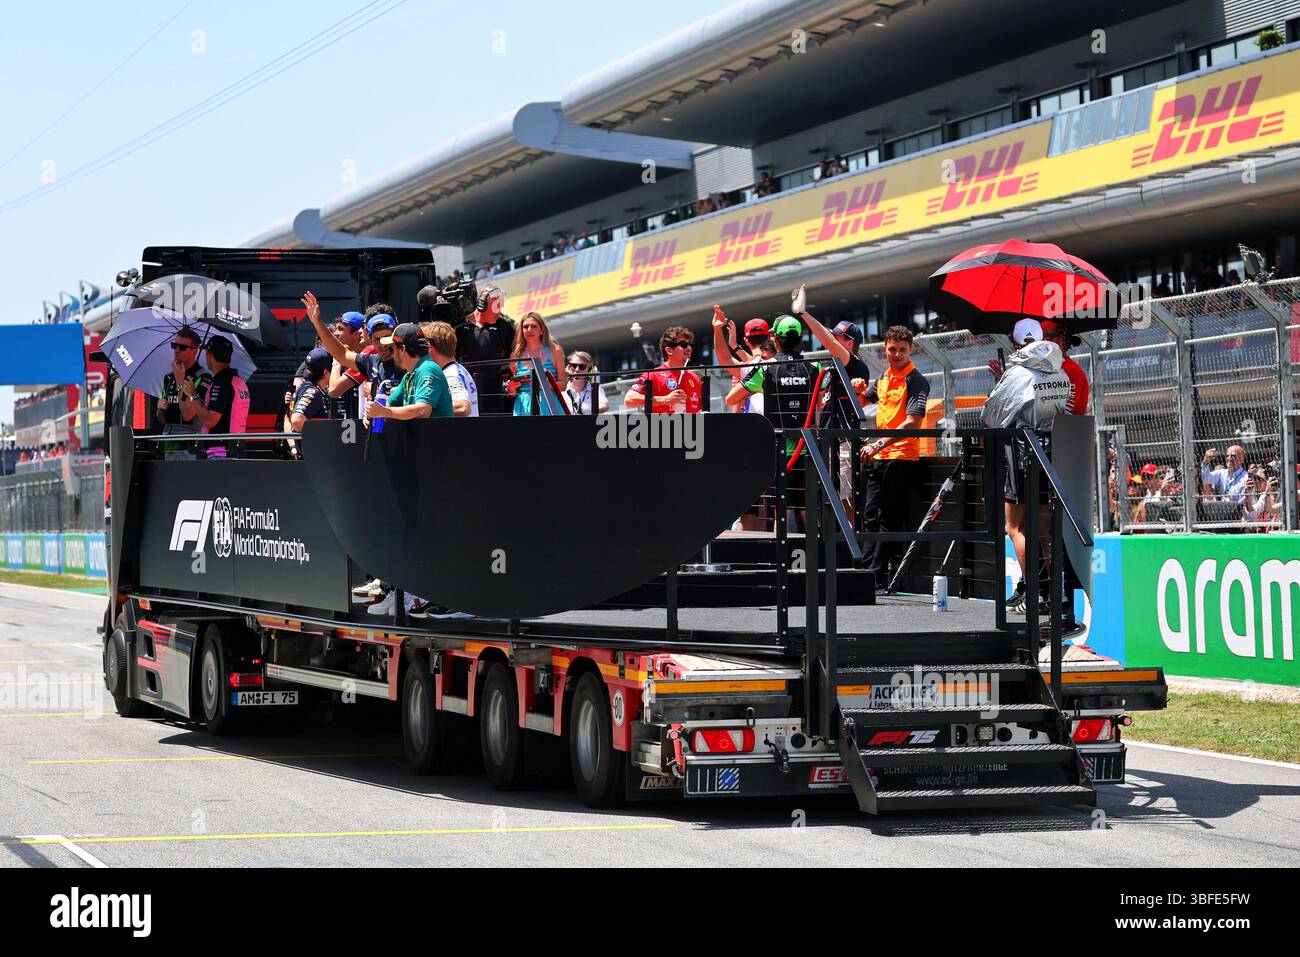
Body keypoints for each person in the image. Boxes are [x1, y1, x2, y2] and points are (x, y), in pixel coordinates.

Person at [980, 318, 1071, 614]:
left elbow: (991, 417)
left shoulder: (1016, 371)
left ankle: (1036, 590)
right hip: (1051, 449)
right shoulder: (1058, 368)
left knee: (1015, 527)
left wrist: (1002, 384)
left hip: (1019, 449)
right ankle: (1053, 593)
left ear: (1015, 341)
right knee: (1044, 529)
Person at [853, 325, 930, 592]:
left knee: (886, 517)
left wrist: (879, 443)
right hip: (878, 454)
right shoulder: (884, 376)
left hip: (900, 456)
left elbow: (912, 422)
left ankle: (874, 577)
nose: (896, 354)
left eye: (902, 350)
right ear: (884, 349)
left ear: (911, 350)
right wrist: (858, 388)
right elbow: (859, 402)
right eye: (892, 349)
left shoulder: (916, 380)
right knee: (871, 515)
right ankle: (864, 573)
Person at [727, 315, 822, 531]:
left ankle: (782, 561)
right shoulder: (816, 367)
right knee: (808, 509)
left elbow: (731, 398)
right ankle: (815, 560)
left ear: (775, 340)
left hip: (777, 449)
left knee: (781, 510)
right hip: (808, 449)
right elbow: (821, 405)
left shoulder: (765, 369)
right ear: (800, 339)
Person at [366, 323, 453, 423]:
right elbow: (387, 405)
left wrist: (383, 412)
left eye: (391, 349)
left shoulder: (428, 369)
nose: (391, 354)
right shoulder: (409, 375)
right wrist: (372, 412)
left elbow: (423, 411)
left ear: (402, 349)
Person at [181, 335, 249, 460]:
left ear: (210, 355)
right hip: (234, 452)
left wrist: (193, 394)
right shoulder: (238, 381)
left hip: (220, 455)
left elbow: (210, 420)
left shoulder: (222, 383)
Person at [455, 284, 516, 417]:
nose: (499, 312)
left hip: (495, 396)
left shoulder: (504, 327)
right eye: (496, 306)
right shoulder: (458, 326)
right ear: (482, 303)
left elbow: (516, 352)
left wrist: (510, 372)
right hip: (465, 394)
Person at [157, 325, 211, 461]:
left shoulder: (203, 378)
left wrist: (180, 381)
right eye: (174, 345)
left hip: (190, 447)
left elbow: (188, 415)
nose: (176, 350)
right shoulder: (169, 377)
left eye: (182, 347)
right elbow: (162, 419)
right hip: (168, 444)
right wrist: (160, 409)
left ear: (194, 351)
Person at [712, 306, 775, 414]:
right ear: (769, 337)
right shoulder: (779, 360)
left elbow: (725, 359)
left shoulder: (748, 369)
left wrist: (717, 329)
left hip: (755, 424)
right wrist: (735, 347)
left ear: (746, 340)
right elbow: (756, 360)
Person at [625, 327, 702, 413]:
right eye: (683, 345)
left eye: (690, 345)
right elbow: (629, 399)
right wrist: (665, 399)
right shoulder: (653, 375)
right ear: (669, 350)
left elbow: (699, 411)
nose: (689, 348)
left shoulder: (695, 378)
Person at [507, 311, 566, 416]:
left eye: (534, 326)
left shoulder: (555, 350)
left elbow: (563, 385)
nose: (529, 330)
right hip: (522, 406)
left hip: (549, 403)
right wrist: (510, 389)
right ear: (522, 331)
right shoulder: (515, 355)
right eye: (525, 327)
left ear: (542, 330)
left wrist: (544, 383)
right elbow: (513, 392)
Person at [422, 320, 478, 417]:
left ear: (429, 347)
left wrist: (427, 410)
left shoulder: (450, 375)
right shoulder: (458, 369)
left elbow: (463, 408)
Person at [288, 349, 332, 433]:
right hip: (311, 446)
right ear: (325, 372)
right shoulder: (313, 392)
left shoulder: (303, 386)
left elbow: (287, 417)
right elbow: (297, 420)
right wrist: (323, 433)